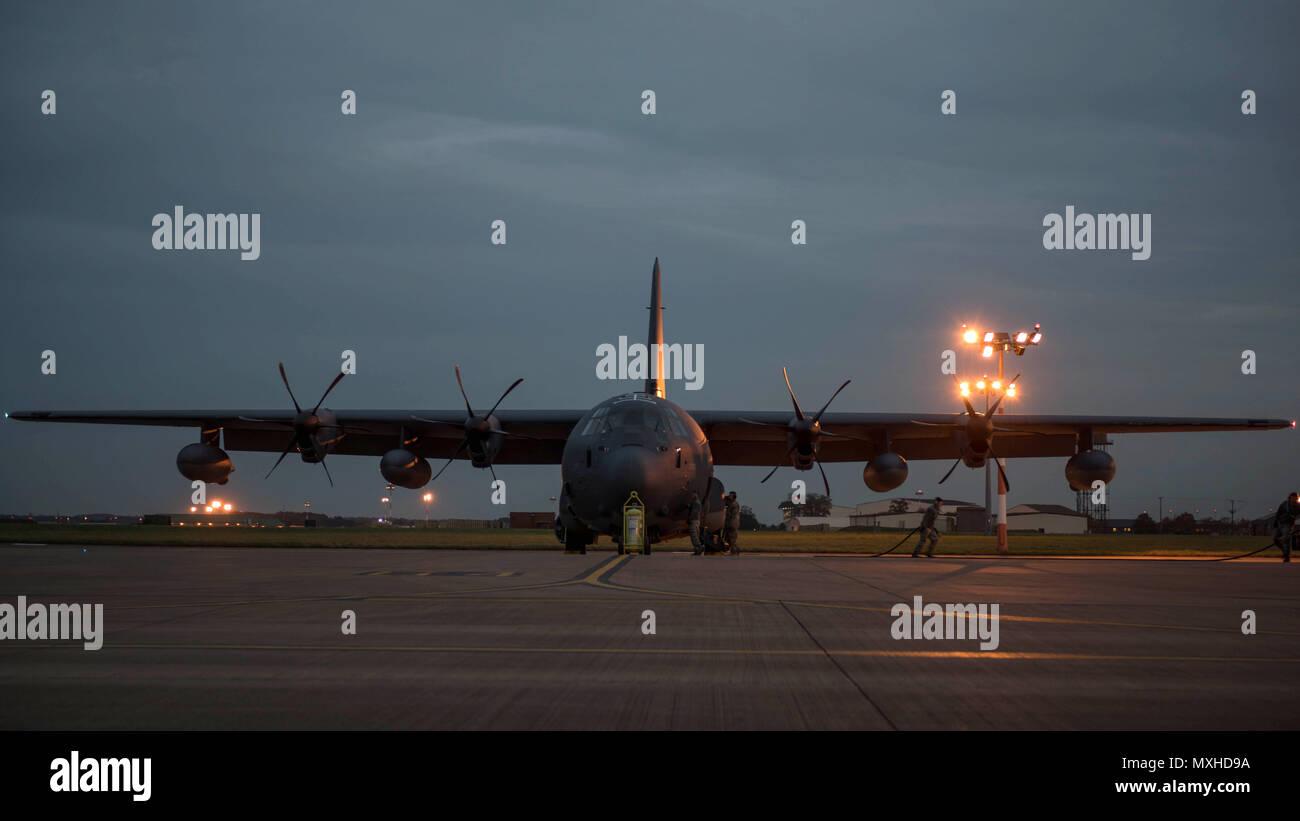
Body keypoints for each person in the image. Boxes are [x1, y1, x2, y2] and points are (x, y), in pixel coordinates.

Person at [1271, 492, 1299, 563]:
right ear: (1290, 498)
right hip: (1280, 523)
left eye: (1295, 498)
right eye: (1293, 497)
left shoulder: (1298, 506)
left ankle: (1287, 556)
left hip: (1288, 525)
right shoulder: (1284, 504)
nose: (1294, 499)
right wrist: (1275, 522)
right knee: (1275, 539)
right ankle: (1284, 551)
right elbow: (1278, 513)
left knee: (1285, 539)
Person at [687, 491, 704, 556]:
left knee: (694, 535)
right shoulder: (695, 502)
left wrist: (689, 519)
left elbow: (694, 512)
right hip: (696, 520)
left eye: (693, 494)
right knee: (696, 535)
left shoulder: (696, 503)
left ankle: (699, 547)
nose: (692, 495)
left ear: (696, 495)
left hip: (693, 520)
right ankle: (697, 550)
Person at [724, 491, 741, 555]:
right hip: (731, 523)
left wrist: (725, 512)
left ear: (734, 497)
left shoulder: (734, 504)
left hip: (733, 523)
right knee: (729, 538)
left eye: (730, 495)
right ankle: (736, 550)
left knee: (732, 538)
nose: (729, 496)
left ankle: (734, 551)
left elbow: (731, 514)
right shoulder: (732, 503)